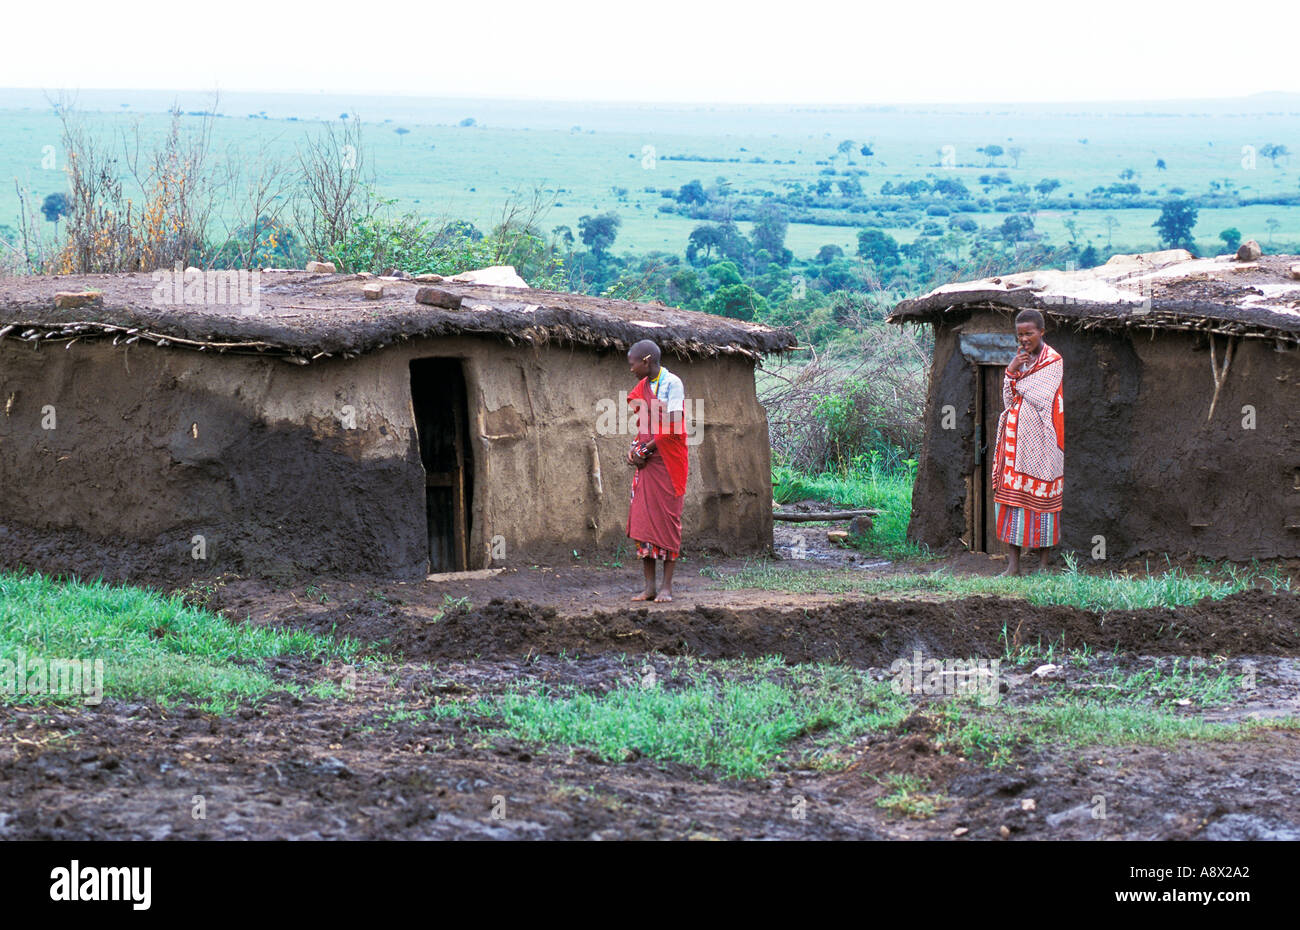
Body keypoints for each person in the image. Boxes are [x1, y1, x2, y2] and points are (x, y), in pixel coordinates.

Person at [992, 308, 1064, 575]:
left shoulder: (1053, 361)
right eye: (1020, 334)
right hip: (1014, 444)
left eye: (1029, 333)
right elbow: (1009, 400)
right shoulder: (1020, 362)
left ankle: (1043, 566)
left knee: (1043, 500)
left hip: (1043, 443)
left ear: (1041, 332)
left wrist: (1016, 378)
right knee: (1012, 500)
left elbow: (1040, 395)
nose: (1024, 339)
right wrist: (1011, 371)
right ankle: (1013, 566)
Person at [624, 339, 688, 602]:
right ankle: (649, 587)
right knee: (644, 522)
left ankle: (666, 588)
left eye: (633, 363)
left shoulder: (673, 383)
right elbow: (644, 428)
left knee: (668, 522)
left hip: (669, 463)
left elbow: (673, 425)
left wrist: (646, 450)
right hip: (648, 465)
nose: (631, 369)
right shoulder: (642, 387)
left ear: (647, 360)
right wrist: (635, 451)